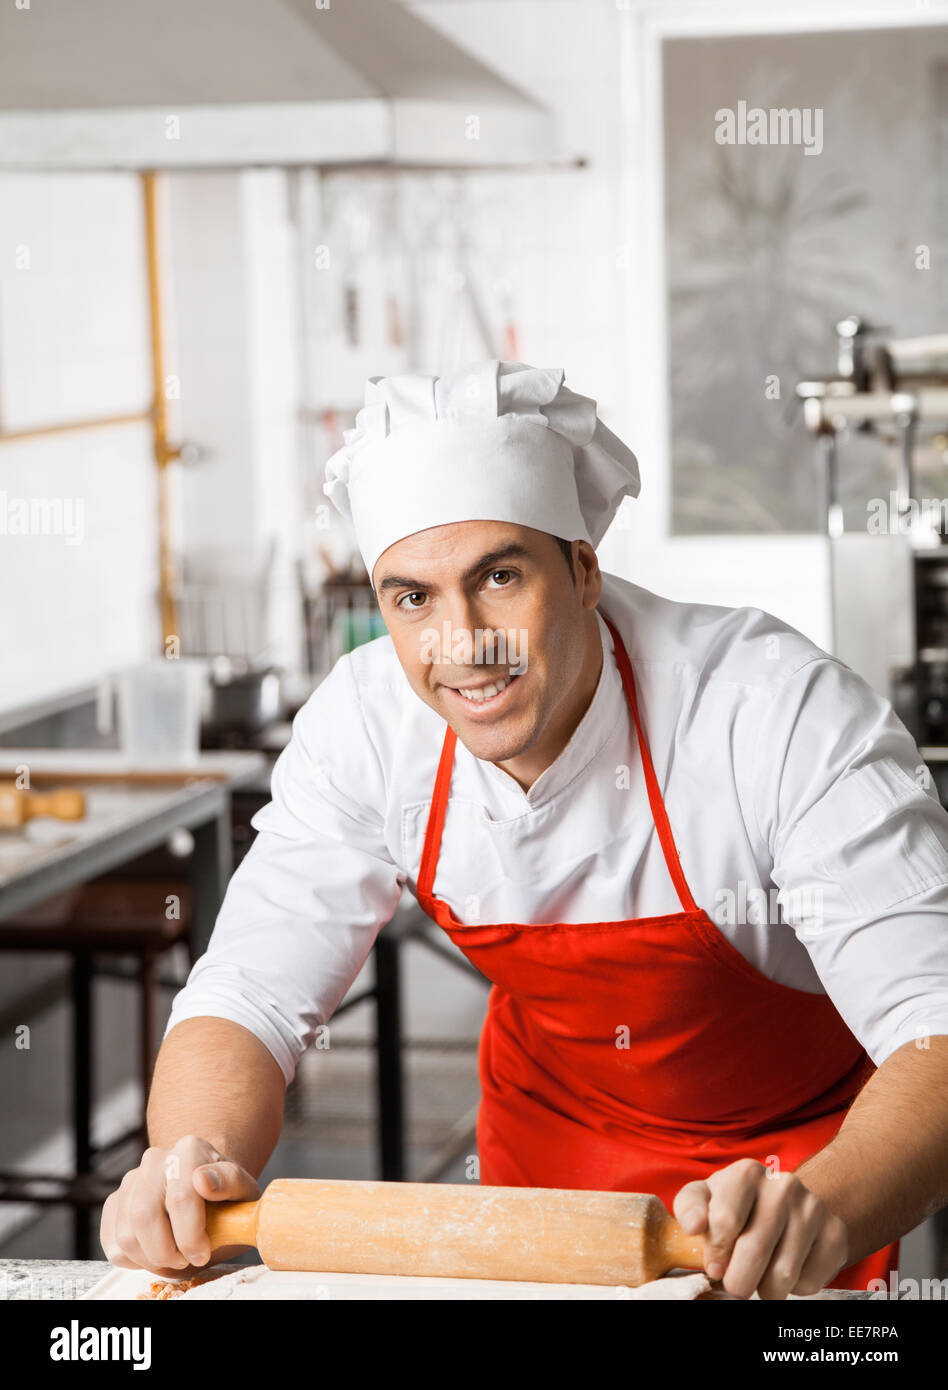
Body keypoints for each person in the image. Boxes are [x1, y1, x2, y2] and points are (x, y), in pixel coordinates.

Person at [102, 360, 948, 1298]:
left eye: (498, 577)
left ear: (583, 569)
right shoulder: (367, 727)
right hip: (551, 1168)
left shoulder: (774, 713)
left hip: (797, 1168)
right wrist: (190, 1162)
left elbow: (936, 1030)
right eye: (411, 598)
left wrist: (817, 1209)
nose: (461, 643)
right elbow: (247, 994)